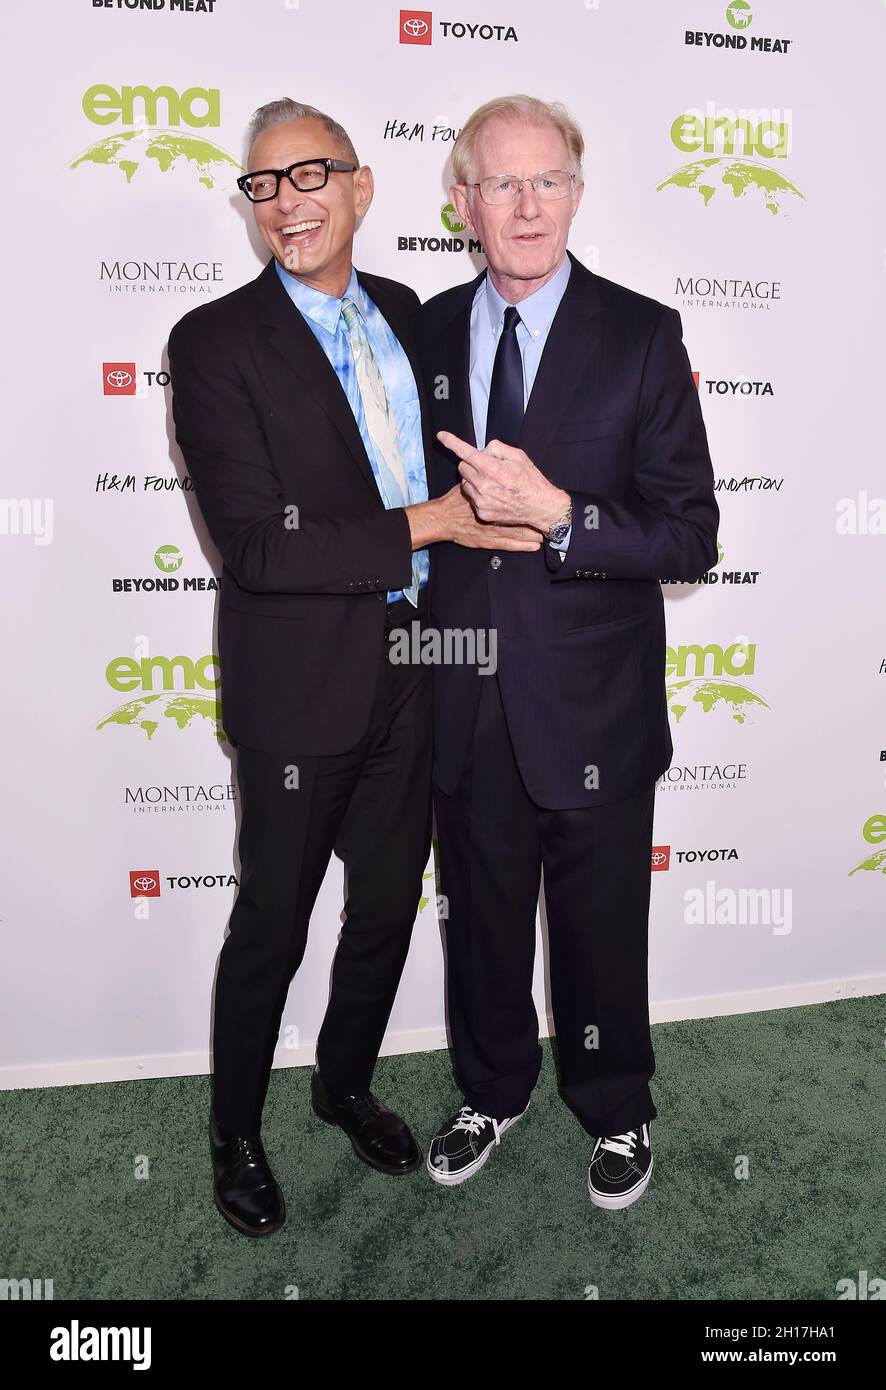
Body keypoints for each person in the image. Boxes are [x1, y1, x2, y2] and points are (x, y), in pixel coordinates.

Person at [168, 98, 541, 1237]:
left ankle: (342, 1083)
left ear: (363, 188)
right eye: (263, 185)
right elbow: (259, 546)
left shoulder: (408, 313)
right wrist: (431, 525)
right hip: (297, 687)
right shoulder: (213, 341)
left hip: (416, 665)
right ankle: (235, 1129)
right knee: (272, 923)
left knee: (383, 908)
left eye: (309, 175)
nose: (287, 201)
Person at [418, 95, 719, 1208]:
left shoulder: (640, 333)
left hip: (592, 703)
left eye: (547, 181)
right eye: (501, 182)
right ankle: (489, 1087)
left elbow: (691, 536)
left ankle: (615, 1105)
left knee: (598, 932)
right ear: (463, 203)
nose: (527, 204)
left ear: (577, 196)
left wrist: (561, 515)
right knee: (481, 922)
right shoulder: (426, 330)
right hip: (462, 697)